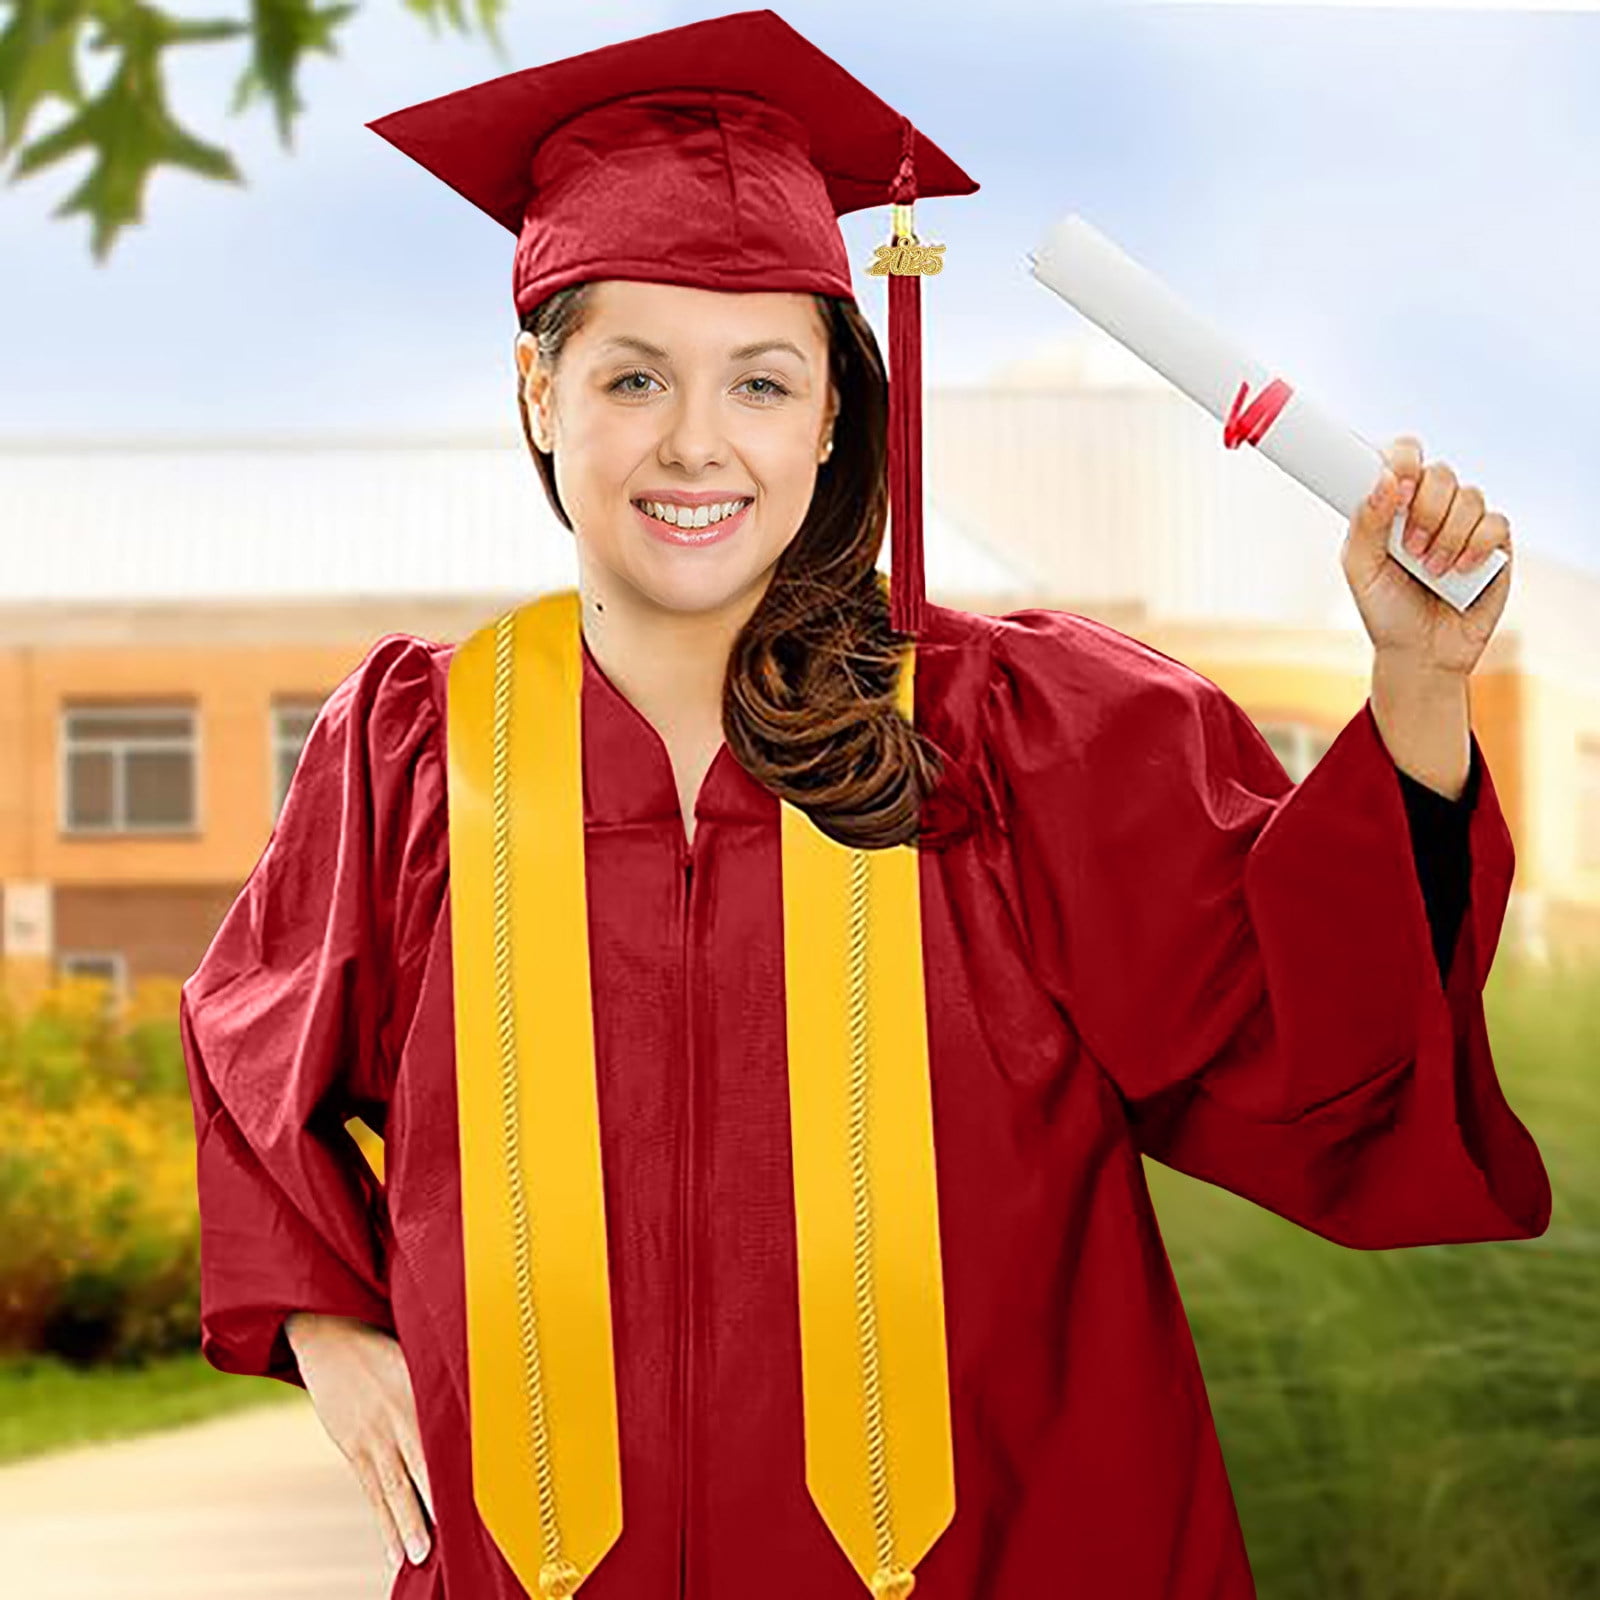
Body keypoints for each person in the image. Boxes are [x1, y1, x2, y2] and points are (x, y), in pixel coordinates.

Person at [178, 10, 1549, 1599]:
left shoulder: (1015, 742)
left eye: (761, 382)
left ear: (835, 412)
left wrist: (1419, 687)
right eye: (634, 376)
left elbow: (1317, 1038)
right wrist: (329, 1328)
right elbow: (249, 1054)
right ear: (539, 394)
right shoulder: (415, 755)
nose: (698, 443)